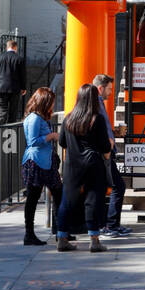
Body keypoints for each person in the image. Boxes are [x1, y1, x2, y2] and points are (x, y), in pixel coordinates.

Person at [55, 83, 111, 254]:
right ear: (94, 99)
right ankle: (94, 240)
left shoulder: (68, 118)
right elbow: (104, 146)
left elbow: (62, 142)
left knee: (67, 201)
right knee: (92, 201)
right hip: (93, 164)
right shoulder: (97, 119)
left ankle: (62, 238)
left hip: (72, 165)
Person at [21, 87, 63, 246]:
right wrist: (51, 136)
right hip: (36, 162)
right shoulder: (34, 118)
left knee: (58, 193)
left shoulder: (40, 117)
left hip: (46, 161)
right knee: (33, 197)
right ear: (44, 102)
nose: (52, 105)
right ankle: (29, 234)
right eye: (51, 102)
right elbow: (32, 142)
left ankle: (61, 232)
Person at [93, 73, 131, 239]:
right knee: (117, 186)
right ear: (100, 88)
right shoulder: (95, 103)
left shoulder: (99, 102)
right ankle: (109, 225)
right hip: (104, 152)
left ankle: (108, 224)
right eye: (108, 89)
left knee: (107, 188)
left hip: (106, 150)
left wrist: (115, 133)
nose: (110, 93)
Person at [0, 38, 27, 125]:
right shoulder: (20, 59)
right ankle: (11, 126)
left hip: (1, 86)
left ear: (7, 47)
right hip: (15, 87)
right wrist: (23, 87)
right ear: (15, 47)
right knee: (13, 108)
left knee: (1, 105)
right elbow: (23, 75)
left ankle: (1, 119)